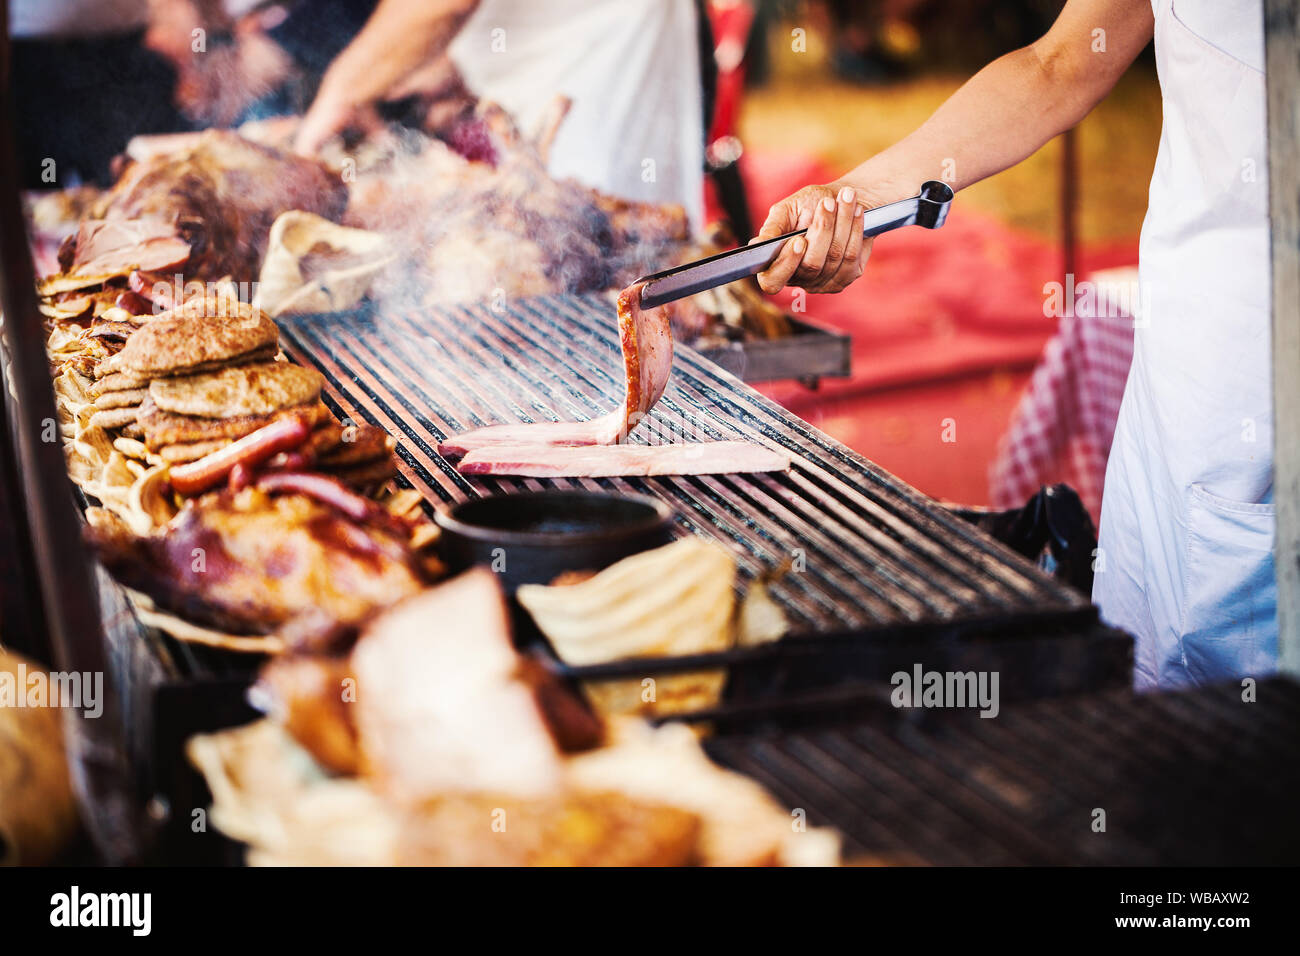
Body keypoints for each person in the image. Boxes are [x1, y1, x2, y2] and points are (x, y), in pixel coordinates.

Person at [753, 0, 1274, 689]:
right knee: (1154, 699)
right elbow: (1060, 62)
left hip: (1265, 371)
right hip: (1185, 364)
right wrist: (853, 199)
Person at [293, 0, 707, 228]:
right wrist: (456, 61)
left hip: (605, 57)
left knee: (604, 249)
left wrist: (339, 92)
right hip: (557, 63)